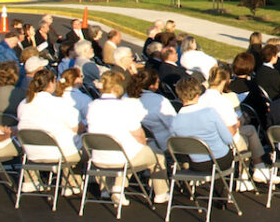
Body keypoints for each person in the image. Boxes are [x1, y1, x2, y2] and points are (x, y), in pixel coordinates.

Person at [86, 70, 169, 206]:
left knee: (125, 152)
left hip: (98, 157)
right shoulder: (124, 106)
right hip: (122, 156)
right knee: (157, 156)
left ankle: (108, 189)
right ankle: (161, 193)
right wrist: (144, 145)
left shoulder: (92, 105)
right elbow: (138, 134)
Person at [15, 69, 83, 194]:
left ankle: (30, 181)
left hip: (31, 152)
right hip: (58, 152)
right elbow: (77, 127)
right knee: (80, 145)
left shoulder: (23, 103)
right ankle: (71, 184)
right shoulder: (58, 102)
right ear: (51, 83)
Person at [169, 76, 236, 174]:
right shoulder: (210, 113)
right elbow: (228, 139)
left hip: (197, 164)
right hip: (221, 160)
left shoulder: (175, 121)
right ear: (198, 93)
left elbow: (179, 147)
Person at [128, 67, 175, 150]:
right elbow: (173, 125)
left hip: (135, 143)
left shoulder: (126, 98)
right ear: (151, 85)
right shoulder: (159, 100)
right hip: (163, 146)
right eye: (157, 82)